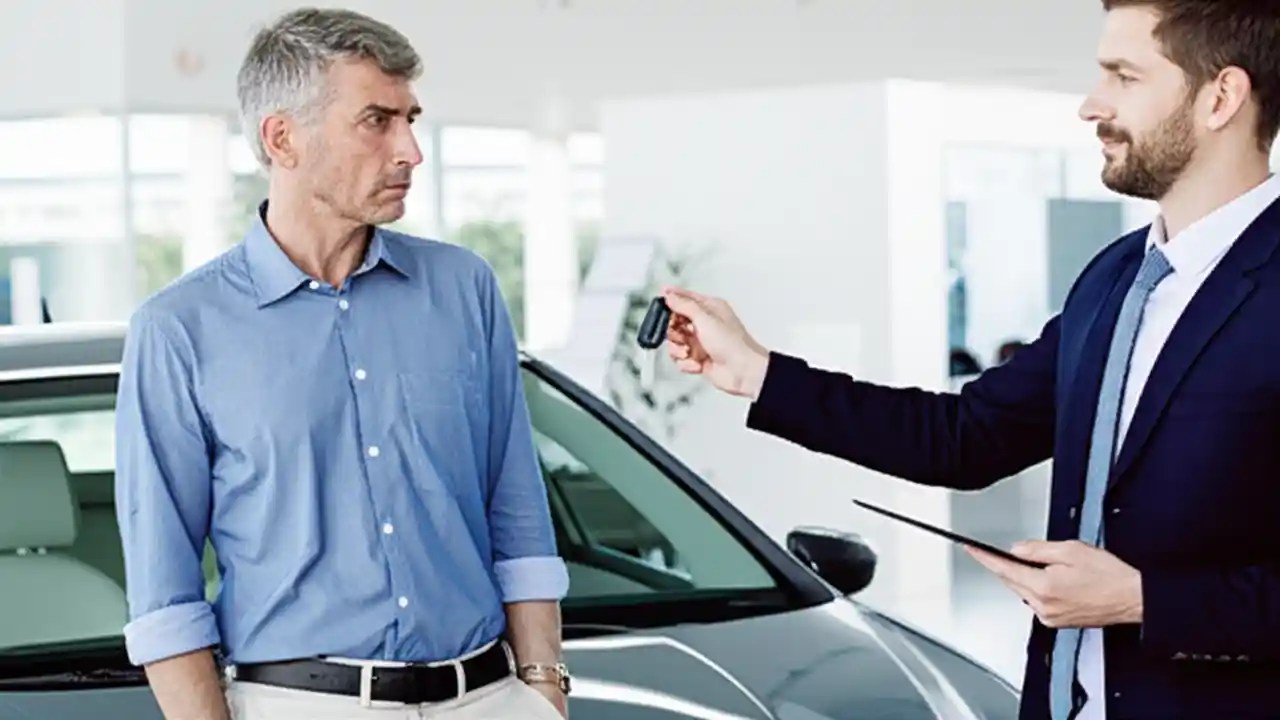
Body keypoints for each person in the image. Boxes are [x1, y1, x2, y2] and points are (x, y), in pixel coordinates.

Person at [662, 1, 1280, 718]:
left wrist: (1142, 600)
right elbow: (966, 436)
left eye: (1124, 76)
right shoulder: (1114, 280)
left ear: (1221, 98)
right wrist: (758, 372)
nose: (1091, 104)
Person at [114, 8, 570, 720]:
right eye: (377, 120)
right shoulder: (179, 330)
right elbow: (164, 589)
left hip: (490, 698)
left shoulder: (464, 290)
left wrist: (543, 690)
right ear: (282, 137)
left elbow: (516, 512)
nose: (412, 150)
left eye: (411, 118)